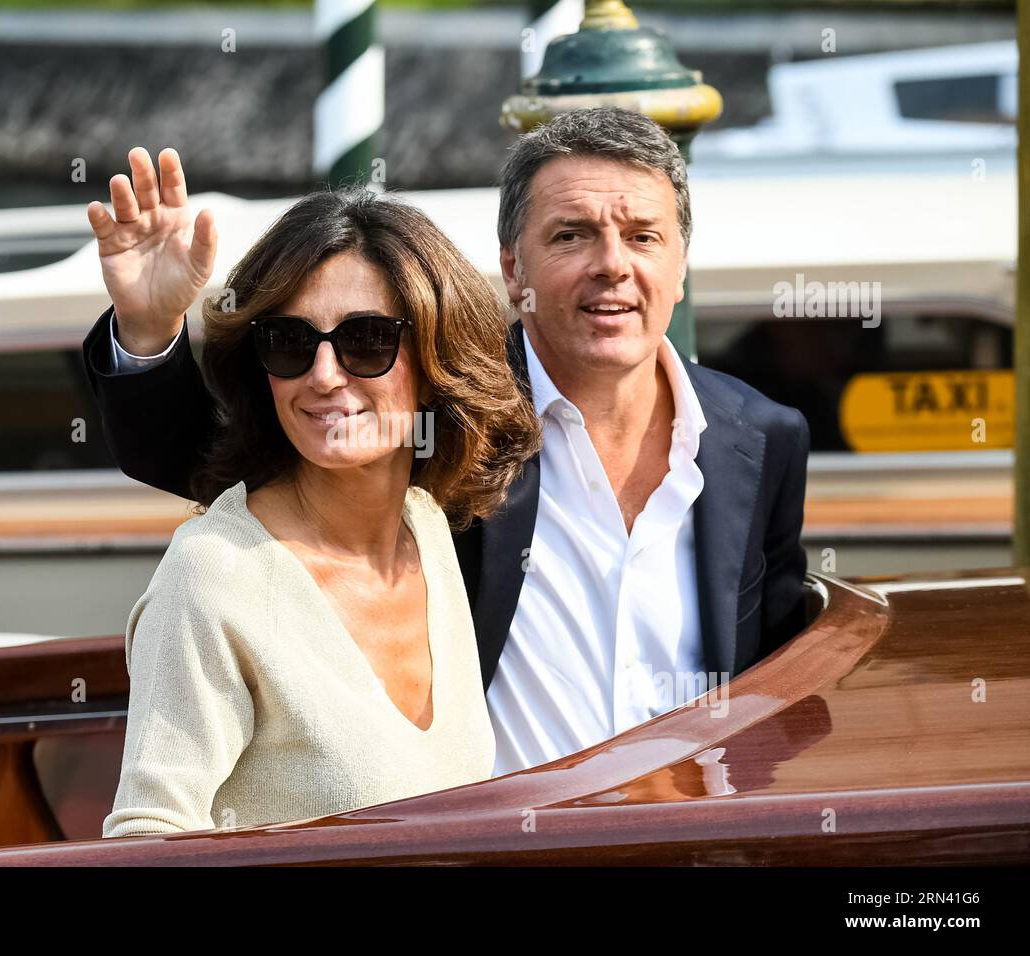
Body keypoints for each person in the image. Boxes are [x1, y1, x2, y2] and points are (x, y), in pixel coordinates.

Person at [83, 107, 811, 781]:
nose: (612, 265)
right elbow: (221, 448)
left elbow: (779, 673)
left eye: (644, 236)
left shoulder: (762, 438)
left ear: (681, 263)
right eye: (570, 235)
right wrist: (147, 331)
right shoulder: (439, 408)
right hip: (498, 845)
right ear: (513, 268)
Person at [91, 149, 540, 835]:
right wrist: (149, 329)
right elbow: (148, 842)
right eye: (290, 343)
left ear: (436, 360)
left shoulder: (429, 527)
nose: (325, 375)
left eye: (366, 341)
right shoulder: (213, 575)